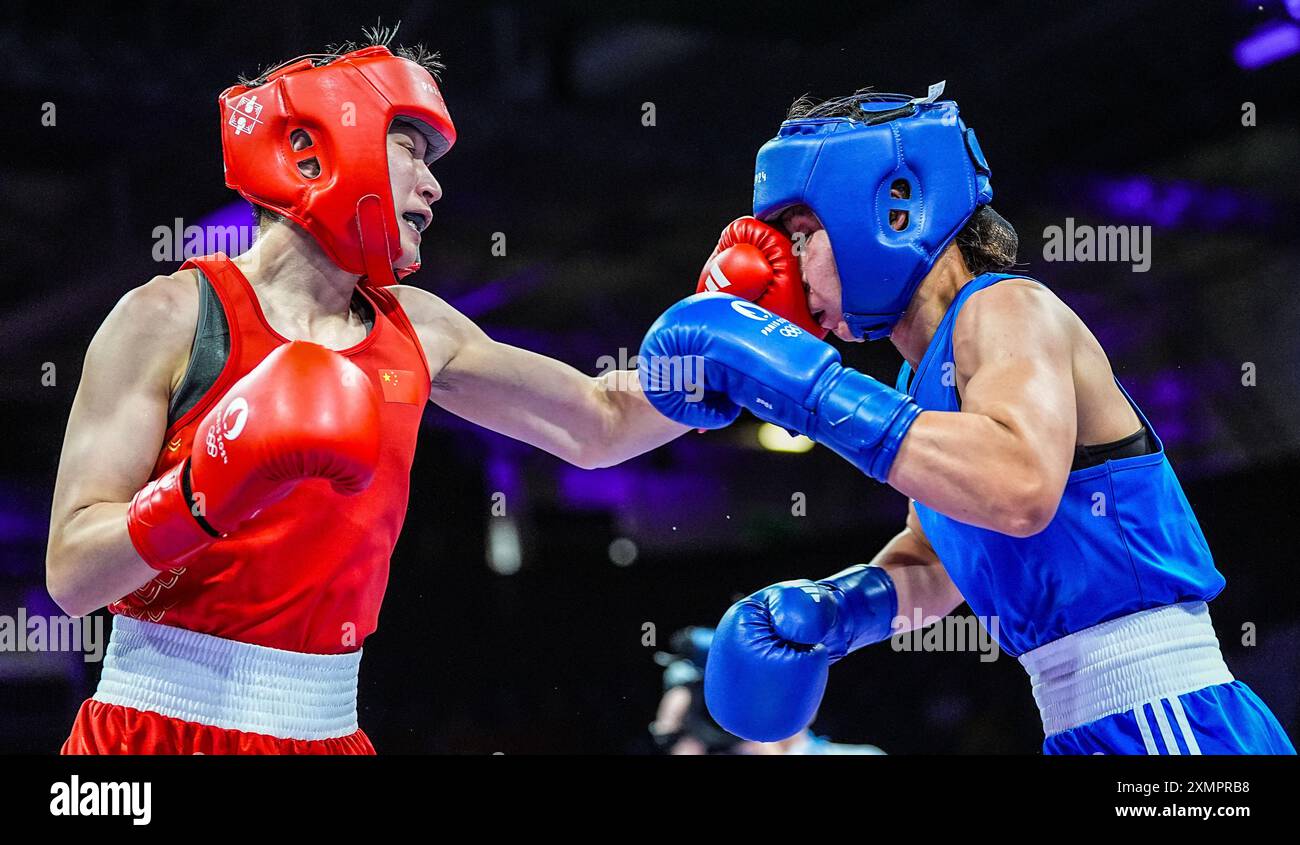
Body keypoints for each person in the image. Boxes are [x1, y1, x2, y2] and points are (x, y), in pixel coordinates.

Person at [48, 27, 687, 755]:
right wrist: (204, 488)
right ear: (311, 149)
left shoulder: (419, 328)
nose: (434, 184)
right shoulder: (168, 317)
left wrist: (729, 361)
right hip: (150, 727)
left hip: (327, 731)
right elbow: (71, 574)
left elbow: (601, 422)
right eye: (409, 149)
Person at [640, 83, 1295, 755]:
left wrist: (804, 388)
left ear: (892, 209)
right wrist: (835, 610)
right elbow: (935, 561)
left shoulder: (1007, 308)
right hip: (1084, 725)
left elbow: (1016, 486)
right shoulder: (921, 386)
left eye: (804, 234)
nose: (792, 263)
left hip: (1167, 716)